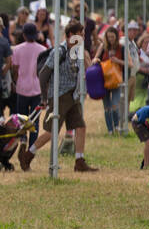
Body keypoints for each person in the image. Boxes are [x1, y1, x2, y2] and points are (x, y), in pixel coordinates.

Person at [19, 20, 99, 173]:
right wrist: (44, 97)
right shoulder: (59, 51)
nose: (82, 38)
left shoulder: (77, 51)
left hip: (73, 95)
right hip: (59, 96)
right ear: (70, 35)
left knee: (80, 127)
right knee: (51, 131)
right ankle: (28, 155)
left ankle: (79, 161)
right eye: (80, 35)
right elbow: (43, 74)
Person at [93, 26, 127, 135]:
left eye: (112, 37)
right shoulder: (103, 47)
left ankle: (116, 125)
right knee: (106, 107)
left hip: (116, 81)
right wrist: (96, 60)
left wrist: (118, 61)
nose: (111, 39)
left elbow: (129, 64)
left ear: (116, 37)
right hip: (104, 80)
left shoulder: (121, 48)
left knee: (115, 106)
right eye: (109, 37)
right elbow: (95, 58)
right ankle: (110, 130)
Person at [10, 23, 45, 129]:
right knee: (35, 120)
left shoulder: (17, 49)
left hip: (22, 88)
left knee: (21, 118)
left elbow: (15, 69)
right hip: (37, 88)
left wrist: (15, 82)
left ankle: (23, 138)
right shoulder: (42, 49)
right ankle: (32, 144)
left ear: (24, 35)